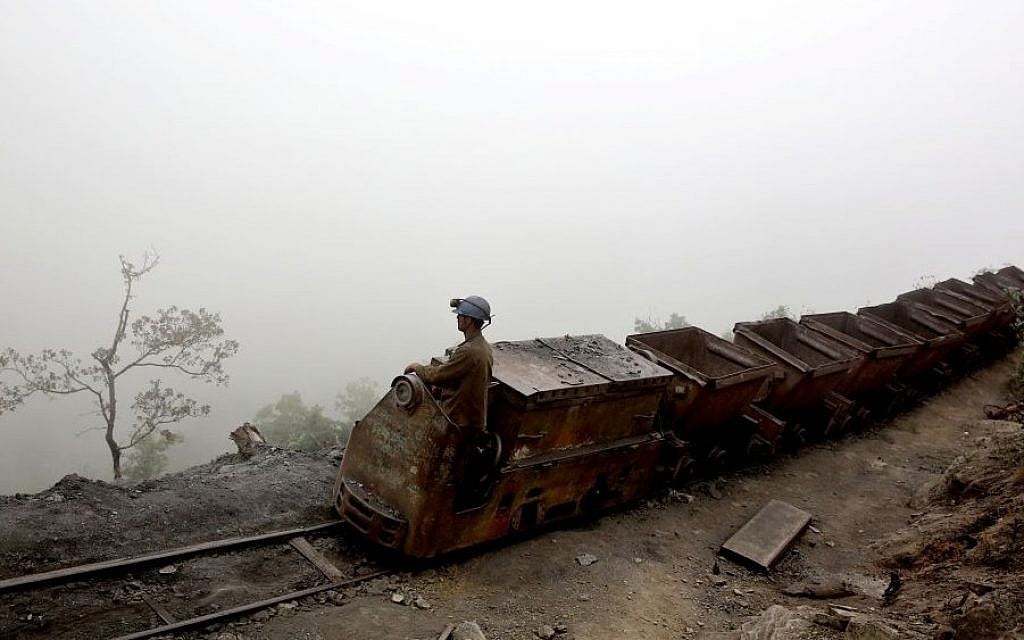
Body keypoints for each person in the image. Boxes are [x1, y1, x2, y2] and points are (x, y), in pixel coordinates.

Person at [404, 295, 493, 431]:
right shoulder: (484, 347)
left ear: (468, 320)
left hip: (459, 423)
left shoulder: (469, 351)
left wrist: (417, 367)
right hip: (471, 422)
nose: (457, 318)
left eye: (460, 315)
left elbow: (439, 375)